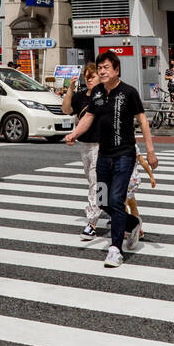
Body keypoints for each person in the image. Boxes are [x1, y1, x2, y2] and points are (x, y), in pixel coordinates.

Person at [64, 50, 158, 268]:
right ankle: (132, 223)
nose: (102, 71)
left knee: (115, 200)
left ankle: (115, 249)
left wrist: (150, 150)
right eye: (100, 68)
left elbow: (143, 121)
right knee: (101, 199)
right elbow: (88, 117)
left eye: (106, 67)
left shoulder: (129, 92)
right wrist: (74, 134)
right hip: (103, 154)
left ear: (116, 70)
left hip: (124, 154)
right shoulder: (96, 92)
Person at [62, 61, 104, 241]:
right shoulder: (80, 96)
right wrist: (70, 89)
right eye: (87, 78)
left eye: (92, 77)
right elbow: (66, 109)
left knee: (95, 183)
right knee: (94, 181)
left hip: (101, 145)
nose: (89, 81)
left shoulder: (104, 96)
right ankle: (110, 209)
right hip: (85, 145)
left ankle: (92, 222)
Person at [125, 145, 156, 241]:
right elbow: (142, 161)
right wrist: (151, 176)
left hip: (127, 179)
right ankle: (138, 228)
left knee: (122, 205)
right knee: (132, 204)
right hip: (134, 178)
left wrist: (151, 176)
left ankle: (129, 227)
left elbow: (142, 161)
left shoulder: (123, 145)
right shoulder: (133, 146)